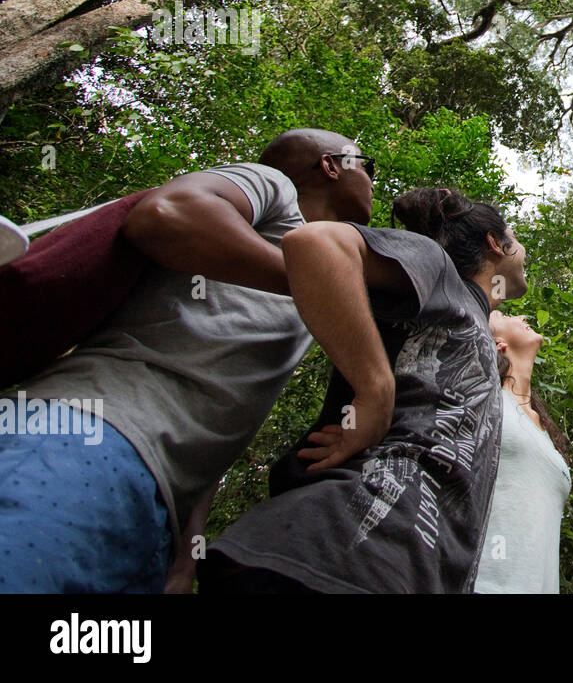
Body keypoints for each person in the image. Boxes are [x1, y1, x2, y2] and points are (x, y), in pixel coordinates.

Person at [0, 129, 375, 593]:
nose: (373, 182)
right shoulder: (272, 188)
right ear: (331, 165)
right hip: (83, 438)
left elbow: (224, 410)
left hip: (154, 506)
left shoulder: (304, 266)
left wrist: (184, 554)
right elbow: (168, 213)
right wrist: (319, 286)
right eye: (368, 166)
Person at [200, 186, 528, 593]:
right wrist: (375, 390)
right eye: (516, 237)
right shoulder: (438, 269)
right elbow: (315, 242)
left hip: (403, 569)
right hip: (332, 553)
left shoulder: (472, 321)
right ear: (494, 244)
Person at [473, 310, 572, 594]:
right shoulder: (484, 397)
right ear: (498, 342)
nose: (522, 314)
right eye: (505, 314)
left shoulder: (541, 427)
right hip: (486, 584)